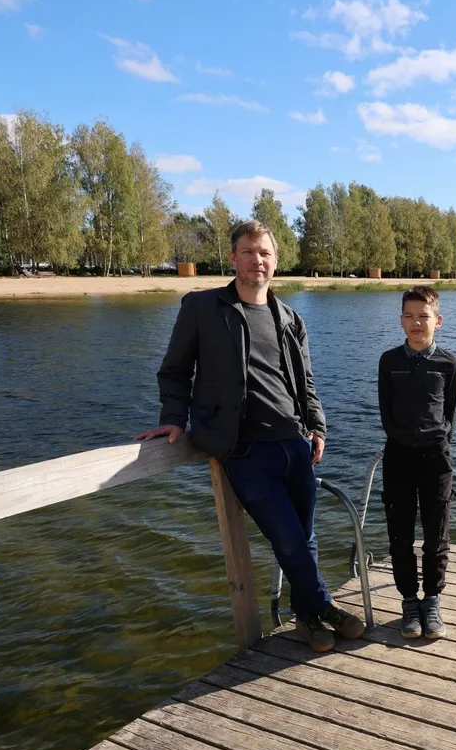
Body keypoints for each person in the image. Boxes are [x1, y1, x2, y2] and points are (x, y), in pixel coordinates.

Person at [136, 219, 365, 652]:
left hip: (295, 445)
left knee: (305, 535)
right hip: (244, 452)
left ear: (275, 262)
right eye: (249, 251)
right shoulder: (202, 309)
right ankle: (326, 606)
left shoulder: (290, 318)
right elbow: (175, 371)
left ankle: (308, 620)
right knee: (288, 538)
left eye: (265, 253)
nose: (257, 260)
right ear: (233, 258)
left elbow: (306, 383)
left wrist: (316, 427)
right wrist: (173, 417)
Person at [378, 285, 456, 640]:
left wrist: (435, 442)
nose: (416, 323)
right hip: (398, 458)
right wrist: (404, 439)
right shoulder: (389, 361)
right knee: (400, 534)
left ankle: (432, 601)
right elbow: (385, 413)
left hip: (435, 461)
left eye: (423, 317)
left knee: (435, 534)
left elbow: (450, 417)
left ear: (437, 321)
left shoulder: (448, 364)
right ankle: (409, 601)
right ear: (401, 321)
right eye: (409, 317)